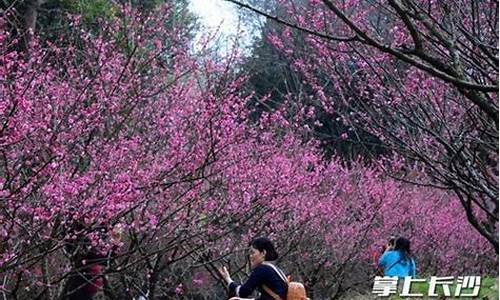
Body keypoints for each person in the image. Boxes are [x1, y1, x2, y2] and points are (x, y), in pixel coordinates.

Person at [219, 237, 288, 300]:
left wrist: (228, 279)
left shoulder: (262, 269)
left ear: (263, 253)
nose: (250, 256)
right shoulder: (274, 269)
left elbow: (242, 292)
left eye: (253, 252)